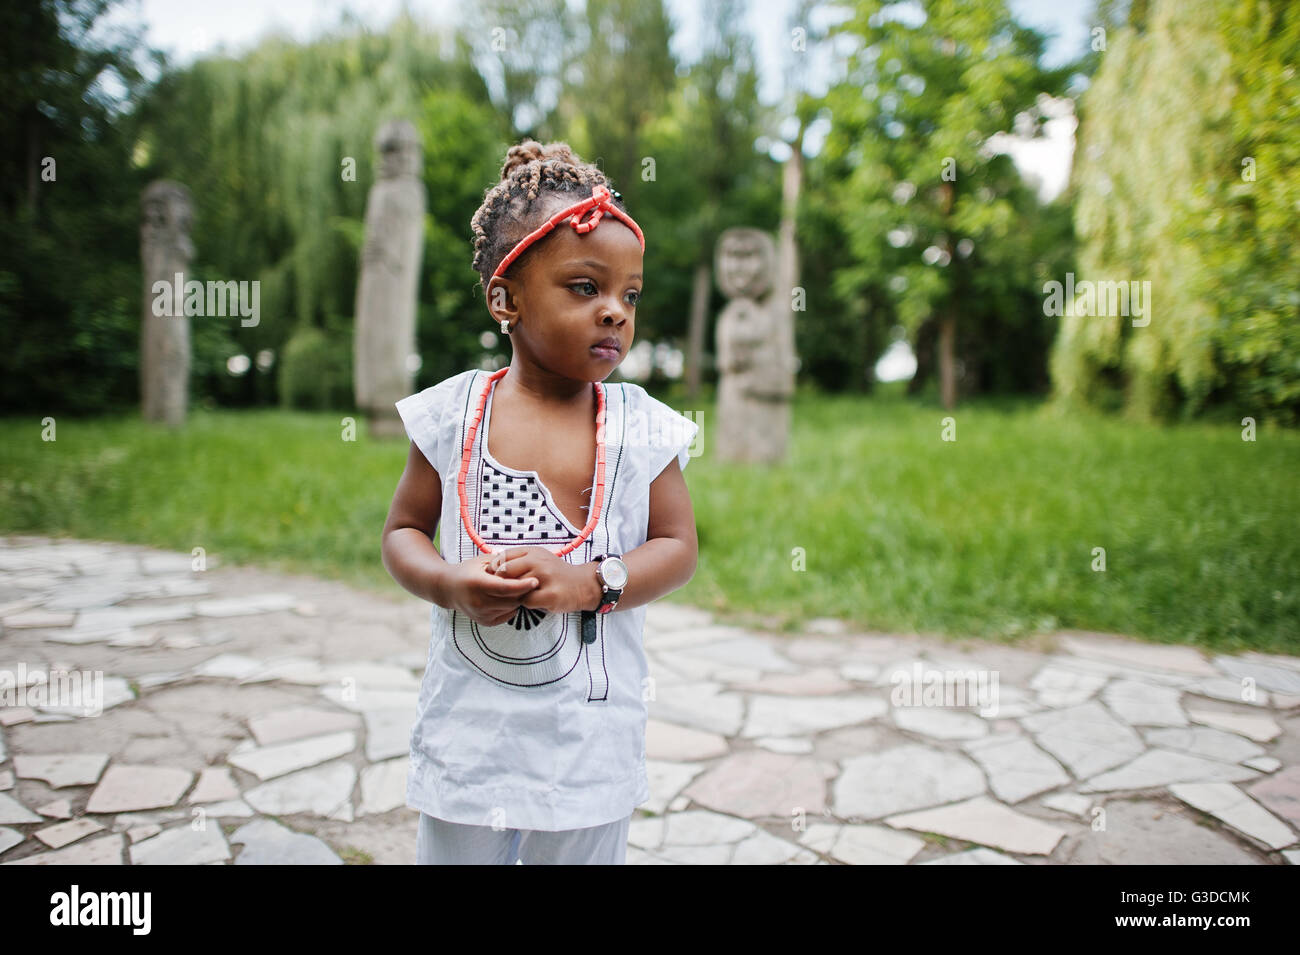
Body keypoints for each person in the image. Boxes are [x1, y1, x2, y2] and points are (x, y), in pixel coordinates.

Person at [381, 140, 700, 865]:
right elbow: (402, 529)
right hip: (471, 743)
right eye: (586, 288)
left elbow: (677, 546)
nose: (616, 312)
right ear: (505, 299)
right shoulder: (453, 416)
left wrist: (591, 581)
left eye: (630, 294)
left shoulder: (639, 425)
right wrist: (444, 581)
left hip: (586, 749)